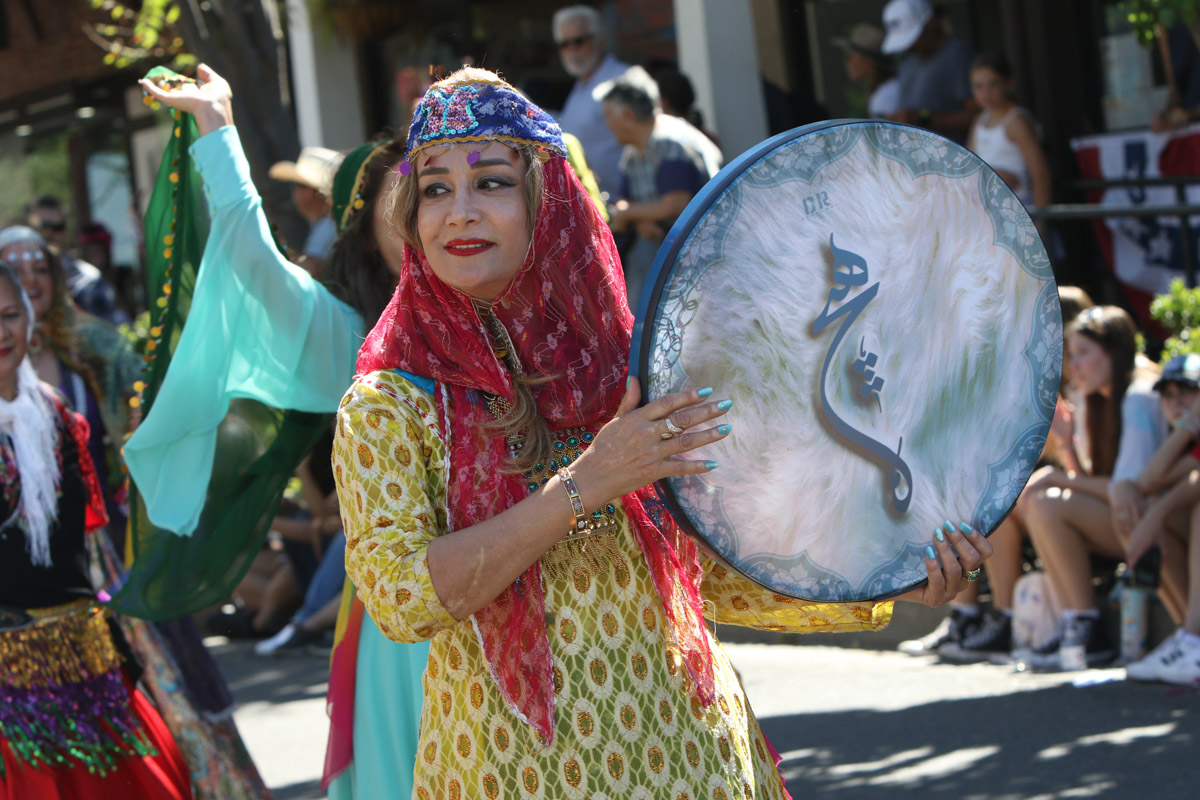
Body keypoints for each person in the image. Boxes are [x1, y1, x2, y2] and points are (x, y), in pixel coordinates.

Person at [334, 66, 992, 799]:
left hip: (691, 761)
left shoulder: (631, 369)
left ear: (547, 203)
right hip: (515, 774)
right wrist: (584, 485)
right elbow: (401, 599)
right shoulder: (391, 404)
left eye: (491, 182)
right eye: (434, 189)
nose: (458, 212)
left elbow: (710, 569)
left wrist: (891, 578)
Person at [133, 65, 426, 800]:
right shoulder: (348, 336)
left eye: (456, 188)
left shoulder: (506, 318)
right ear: (368, 231)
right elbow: (254, 262)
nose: (442, 213)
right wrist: (218, 127)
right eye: (416, 198)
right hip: (413, 631)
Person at [0, 260, 193, 800]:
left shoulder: (59, 415)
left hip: (84, 658)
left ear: (31, 319)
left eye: (10, 315)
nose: (1, 332)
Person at [922, 286, 1097, 662]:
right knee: (977, 493)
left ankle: (1004, 617)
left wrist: (1059, 447)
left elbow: (1084, 469)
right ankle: (965, 616)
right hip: (1058, 486)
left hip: (1074, 495)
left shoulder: (1091, 391)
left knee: (1003, 501)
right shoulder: (1055, 383)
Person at [1019, 306, 1167, 669]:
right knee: (1040, 498)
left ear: (1114, 352)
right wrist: (1066, 444)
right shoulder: (1095, 397)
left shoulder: (1140, 395)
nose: (1075, 365)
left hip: (1154, 523)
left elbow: (1127, 489)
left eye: (1083, 353)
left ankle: (1087, 625)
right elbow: (1093, 483)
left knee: (1046, 501)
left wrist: (1059, 477)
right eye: (1071, 355)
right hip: (1125, 517)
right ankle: (1074, 620)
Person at [601, 66, 722, 308]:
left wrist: (630, 213)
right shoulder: (632, 152)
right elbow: (623, 212)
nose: (607, 125)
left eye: (609, 117)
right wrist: (640, 219)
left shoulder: (669, 141)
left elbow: (675, 205)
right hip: (669, 253)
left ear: (627, 116)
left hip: (704, 259)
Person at [1121, 354, 1200, 684]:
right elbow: (1147, 482)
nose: (1176, 401)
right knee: (1137, 504)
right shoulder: (1186, 442)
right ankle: (1188, 635)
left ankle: (1194, 637)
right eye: (1167, 395)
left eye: (1187, 391)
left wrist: (1157, 512)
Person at [553, 4, 631, 198]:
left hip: (628, 209)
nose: (572, 49)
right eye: (564, 44)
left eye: (579, 41)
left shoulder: (623, 80)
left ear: (600, 41)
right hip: (597, 206)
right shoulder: (581, 85)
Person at [880, 0, 976, 142]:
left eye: (913, 38)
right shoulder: (907, 62)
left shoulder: (958, 56)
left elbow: (977, 115)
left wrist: (923, 117)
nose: (909, 46)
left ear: (930, 23)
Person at [967, 53, 1051, 209]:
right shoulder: (979, 121)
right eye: (978, 86)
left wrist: (1040, 222)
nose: (985, 93)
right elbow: (969, 166)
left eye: (993, 84)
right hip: (988, 208)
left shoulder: (1016, 122)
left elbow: (1040, 175)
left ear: (1009, 83)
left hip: (1018, 206)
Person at [25, 196, 122, 324]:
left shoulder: (89, 281)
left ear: (66, 230)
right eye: (42, 227)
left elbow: (105, 335)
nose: (48, 233)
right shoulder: (15, 283)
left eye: (57, 226)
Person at [269, 146, 344, 278]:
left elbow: (313, 268)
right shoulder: (326, 224)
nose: (295, 193)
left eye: (300, 186)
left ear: (316, 192)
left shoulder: (329, 226)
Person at [834, 23, 900, 119]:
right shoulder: (885, 92)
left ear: (869, 61)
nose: (846, 62)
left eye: (851, 56)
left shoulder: (885, 96)